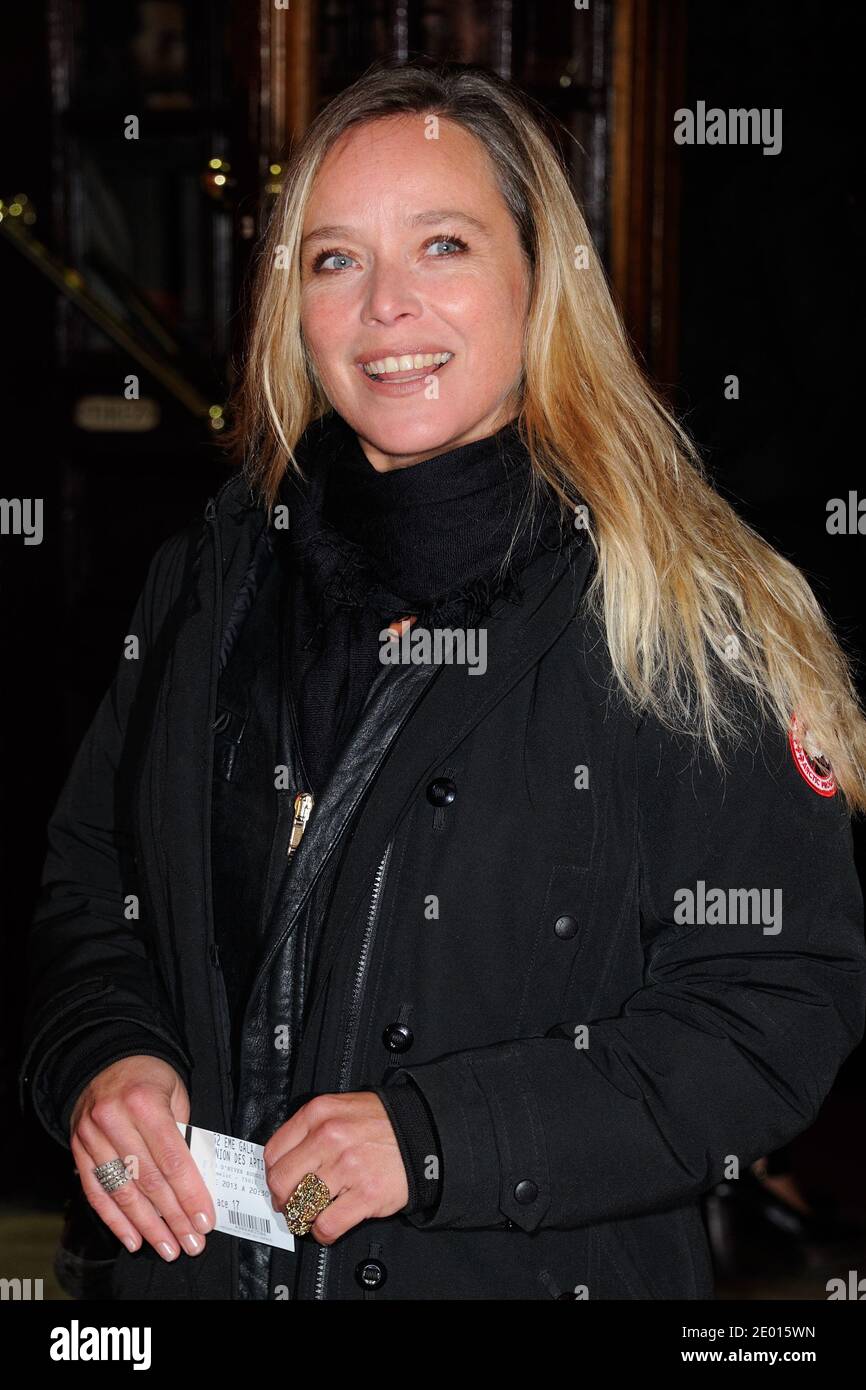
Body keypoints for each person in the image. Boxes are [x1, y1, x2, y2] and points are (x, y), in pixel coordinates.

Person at [20, 57, 866, 1301]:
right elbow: (92, 888)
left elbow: (770, 1009)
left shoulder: (686, 616)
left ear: (539, 281)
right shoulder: (211, 582)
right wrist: (106, 1056)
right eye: (333, 259)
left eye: (444, 245)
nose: (385, 308)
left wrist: (435, 1142)